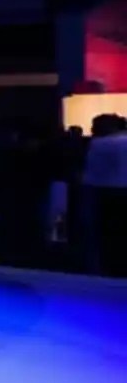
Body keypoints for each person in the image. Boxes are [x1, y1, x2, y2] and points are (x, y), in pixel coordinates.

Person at [82, 114, 127, 276]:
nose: (92, 129)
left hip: (100, 192)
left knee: (104, 235)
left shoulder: (97, 143)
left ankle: (105, 270)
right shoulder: (121, 142)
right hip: (120, 191)